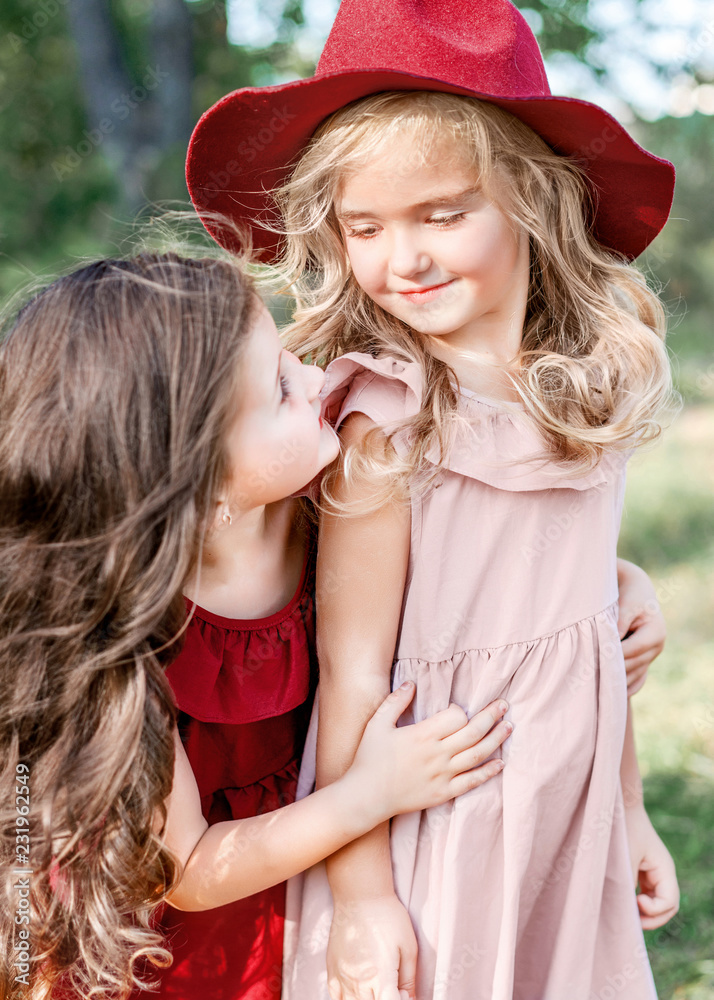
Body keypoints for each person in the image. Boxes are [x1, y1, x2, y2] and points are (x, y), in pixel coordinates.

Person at [184, 1, 680, 997]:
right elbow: (354, 673)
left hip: (562, 804)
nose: (402, 258)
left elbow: (590, 642)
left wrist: (630, 812)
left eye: (442, 215)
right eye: (364, 227)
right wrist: (364, 897)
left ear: (534, 204)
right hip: (434, 811)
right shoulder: (387, 419)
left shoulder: (585, 386)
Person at [0, 253, 521, 1000]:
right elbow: (190, 871)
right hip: (178, 944)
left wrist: (622, 583)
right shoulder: (118, 633)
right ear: (197, 484)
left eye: (289, 357)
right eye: (280, 388)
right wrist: (369, 794)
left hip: (297, 887)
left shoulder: (326, 495)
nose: (315, 379)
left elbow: (471, 549)